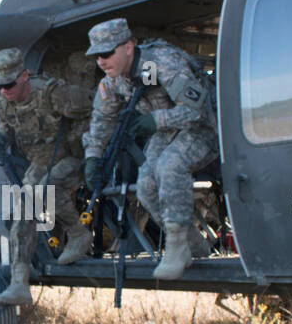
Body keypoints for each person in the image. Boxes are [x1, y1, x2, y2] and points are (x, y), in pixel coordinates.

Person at [82, 18, 217, 280]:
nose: (101, 61)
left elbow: (198, 111)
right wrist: (92, 157)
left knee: (169, 166)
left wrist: (157, 120)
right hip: (167, 133)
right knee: (145, 186)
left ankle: (176, 248)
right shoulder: (114, 81)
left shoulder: (161, 64)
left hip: (202, 129)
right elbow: (101, 120)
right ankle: (192, 243)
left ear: (129, 46)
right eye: (97, 56)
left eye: (107, 53)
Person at [0, 48, 95, 307]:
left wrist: (90, 144)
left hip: (74, 155)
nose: (4, 90)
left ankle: (78, 234)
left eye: (9, 84)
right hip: (41, 161)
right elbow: (6, 125)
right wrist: (1, 137)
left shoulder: (51, 93)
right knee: (23, 210)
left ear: (24, 76)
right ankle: (18, 283)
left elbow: (95, 106)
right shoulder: (4, 103)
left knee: (46, 189)